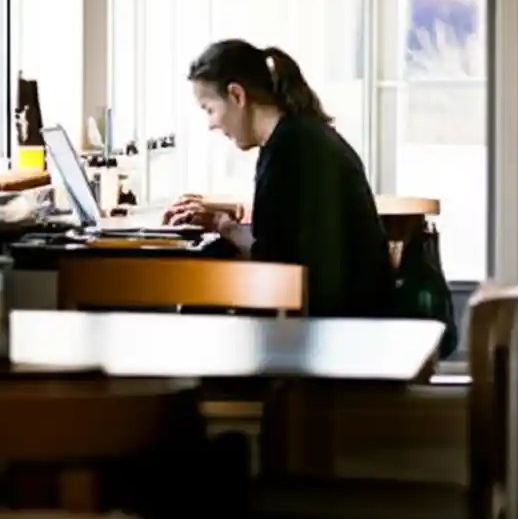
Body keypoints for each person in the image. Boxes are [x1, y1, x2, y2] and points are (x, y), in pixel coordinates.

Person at [164, 39, 397, 319]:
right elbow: (281, 242)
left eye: (210, 109)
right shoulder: (298, 136)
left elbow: (272, 259)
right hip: (350, 316)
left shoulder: (290, 148)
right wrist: (220, 224)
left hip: (337, 328)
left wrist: (223, 227)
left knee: (198, 302)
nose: (211, 124)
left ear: (237, 95)